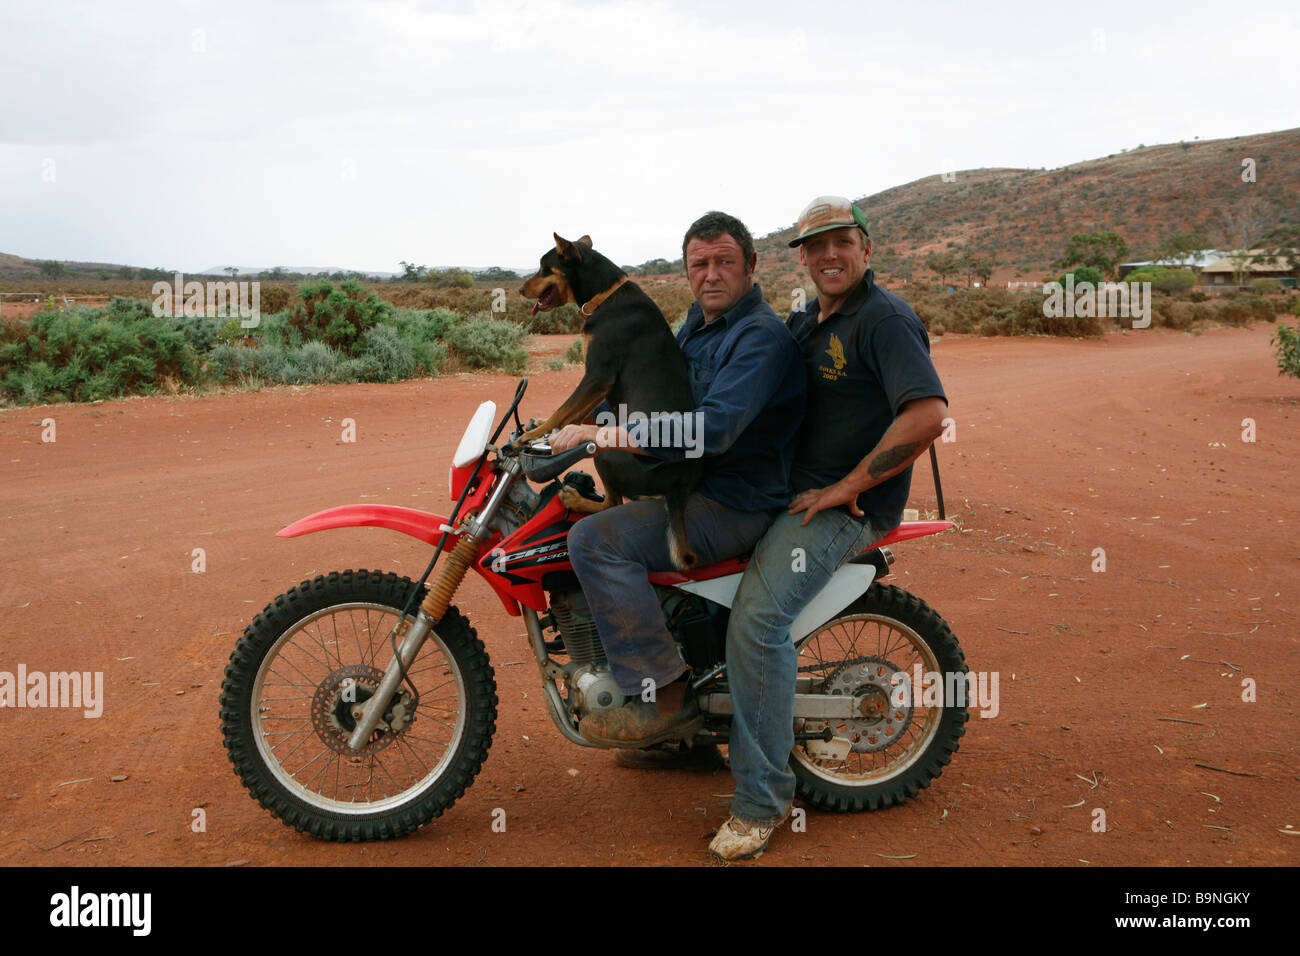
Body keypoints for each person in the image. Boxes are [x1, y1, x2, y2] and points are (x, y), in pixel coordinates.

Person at [708, 195, 949, 861]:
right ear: (805, 259)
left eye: (841, 242)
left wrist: (848, 487)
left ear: (866, 248)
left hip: (842, 509)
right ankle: (684, 730)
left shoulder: (886, 320)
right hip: (784, 492)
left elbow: (926, 416)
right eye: (816, 247)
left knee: (756, 624)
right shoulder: (807, 322)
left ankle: (761, 801)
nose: (829, 255)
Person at [550, 211, 804, 751]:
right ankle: (677, 727)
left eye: (724, 262)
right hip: (690, 487)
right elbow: (654, 389)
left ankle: (666, 700)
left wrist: (613, 433)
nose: (710, 275)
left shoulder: (759, 337)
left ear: (751, 266)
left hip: (731, 500)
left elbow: (712, 429)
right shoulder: (700, 324)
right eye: (699, 264)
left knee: (593, 541)